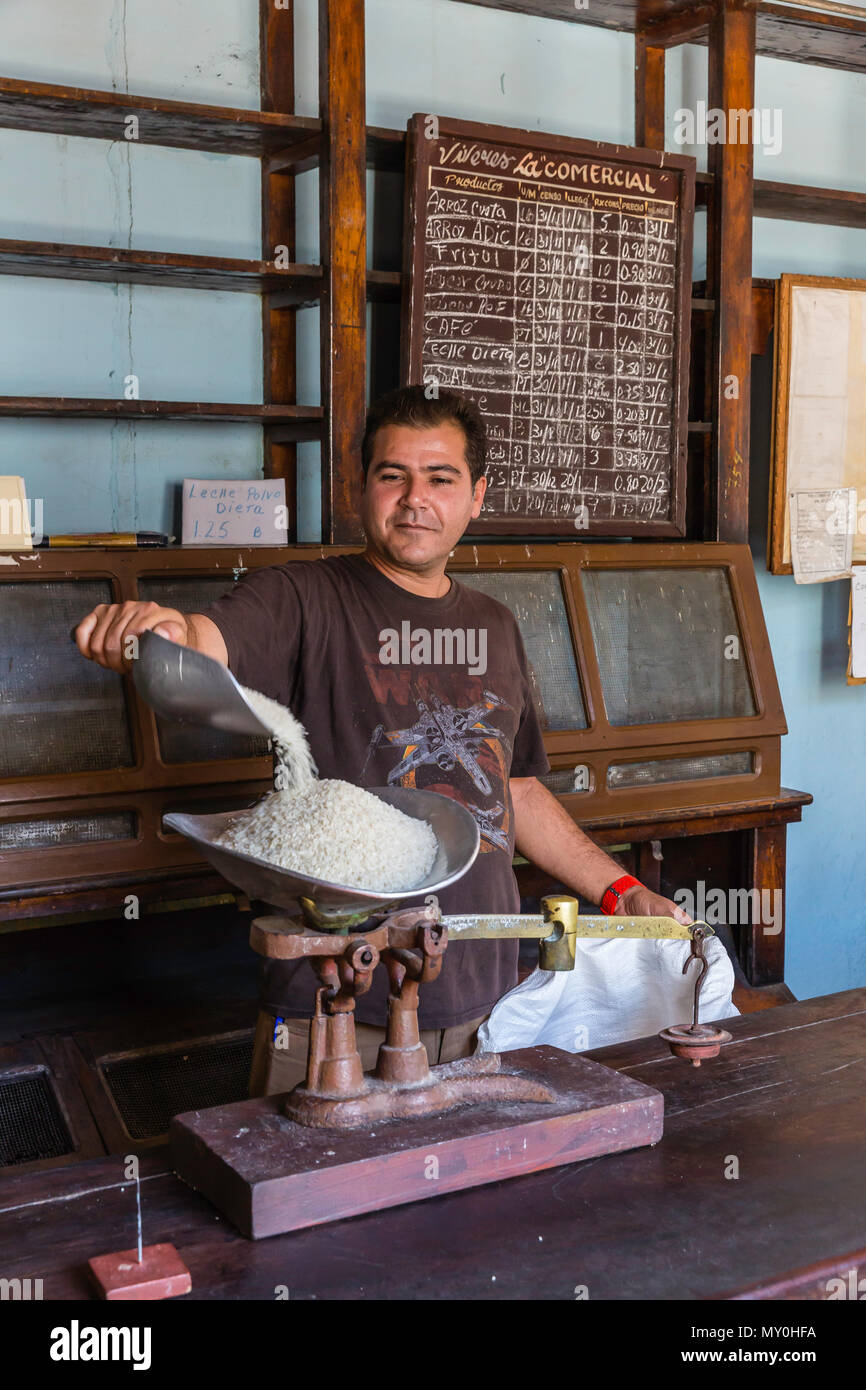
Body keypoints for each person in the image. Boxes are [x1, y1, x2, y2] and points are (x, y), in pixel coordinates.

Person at [75, 385, 688, 1096]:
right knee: (311, 1192)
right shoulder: (302, 598)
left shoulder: (495, 624)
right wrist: (162, 636)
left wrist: (620, 890)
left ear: (476, 496)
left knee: (478, 1200)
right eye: (392, 475)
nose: (414, 498)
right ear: (362, 488)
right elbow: (208, 641)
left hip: (483, 992)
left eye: (440, 478)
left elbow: (513, 789)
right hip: (333, 998)